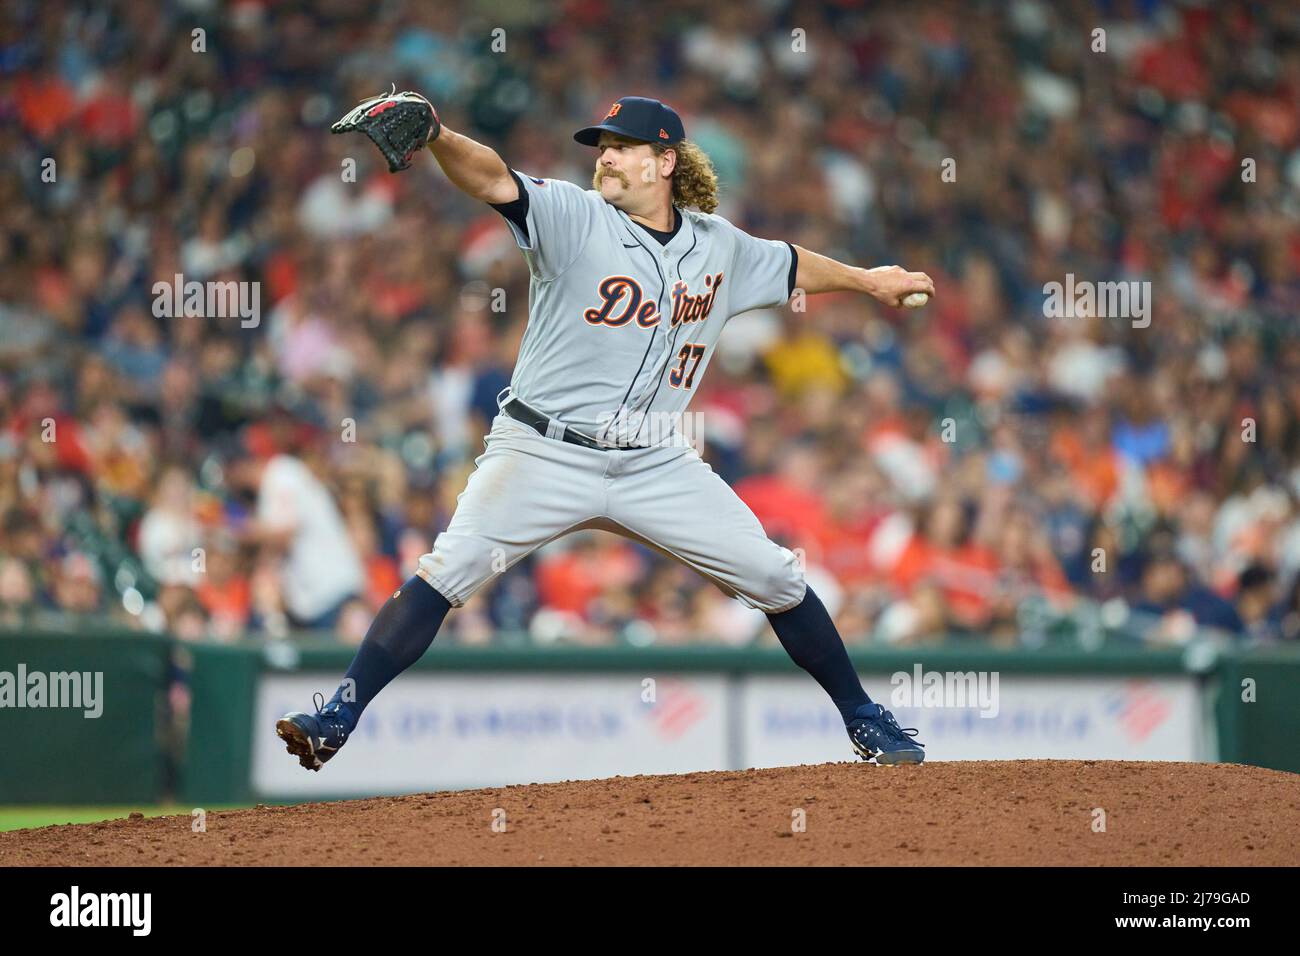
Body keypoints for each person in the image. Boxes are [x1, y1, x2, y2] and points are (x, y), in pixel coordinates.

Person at [277, 92, 934, 771]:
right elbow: (492, 178)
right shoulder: (574, 217)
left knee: (774, 574)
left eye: (622, 146)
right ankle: (337, 715)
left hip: (653, 460)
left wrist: (866, 281)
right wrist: (439, 135)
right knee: (447, 571)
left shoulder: (719, 246)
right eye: (602, 146)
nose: (607, 158)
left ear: (666, 161)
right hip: (542, 449)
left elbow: (791, 263)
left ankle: (864, 718)